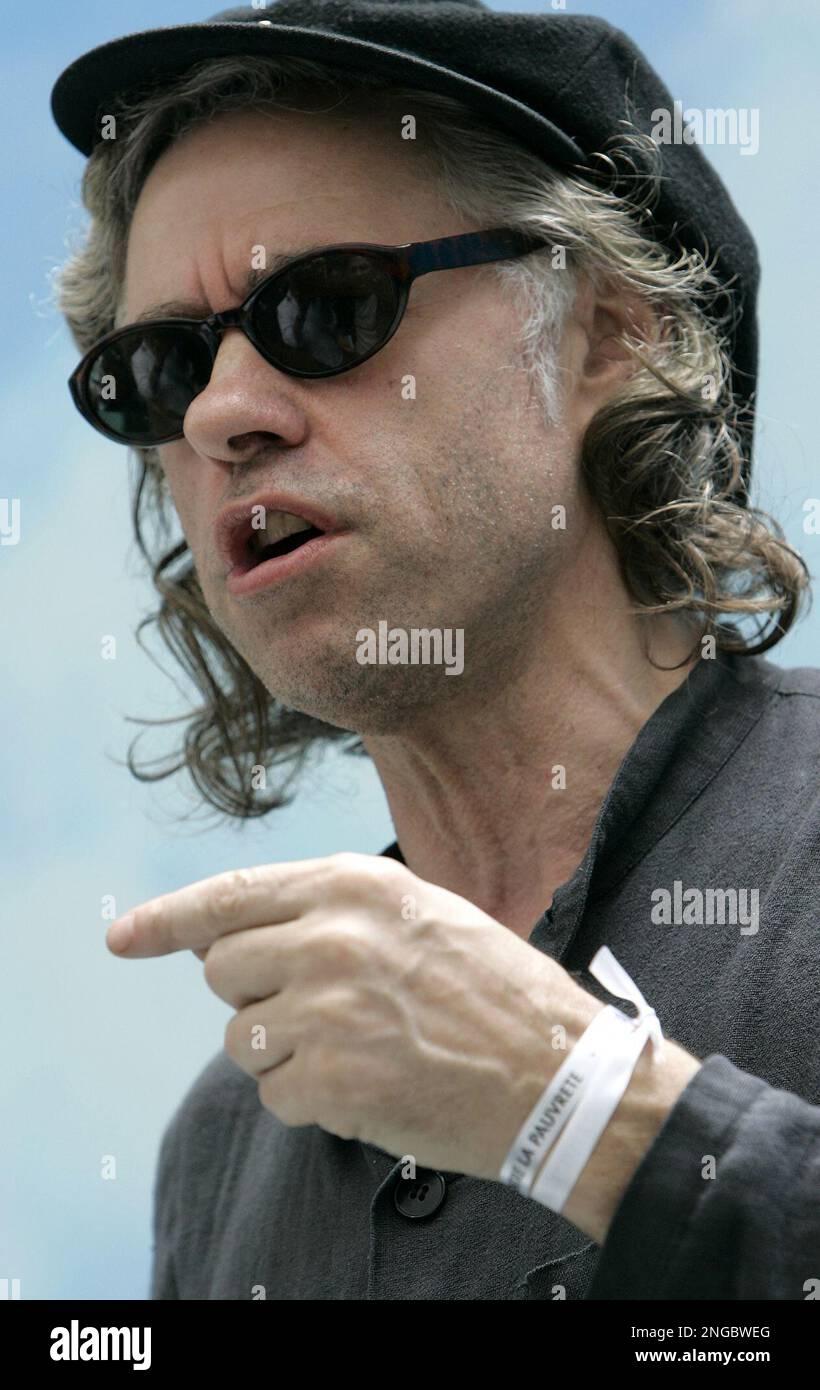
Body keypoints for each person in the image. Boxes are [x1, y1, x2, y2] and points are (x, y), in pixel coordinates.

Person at [50, 2, 819, 1301]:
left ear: (607, 333)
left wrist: (584, 1110)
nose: (227, 413)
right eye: (164, 366)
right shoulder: (228, 1142)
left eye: (330, 306)